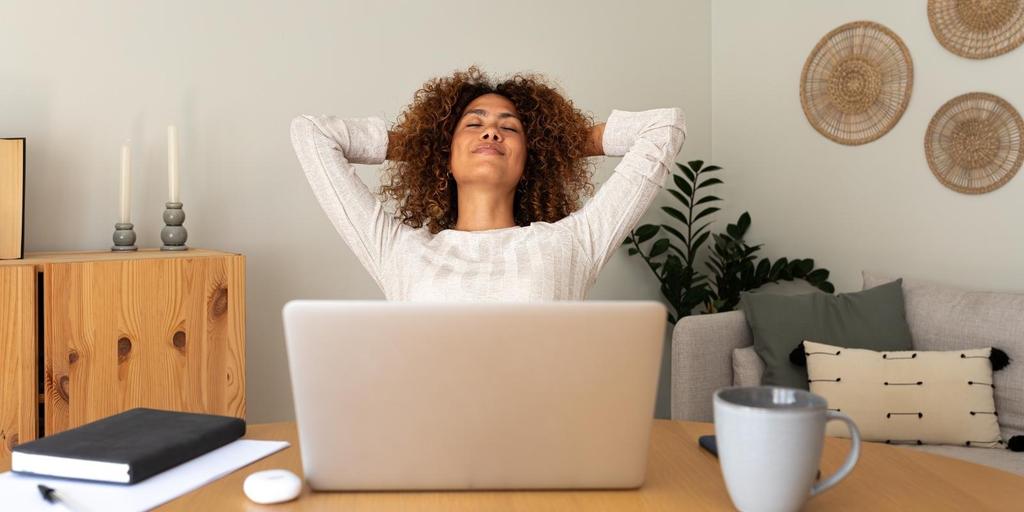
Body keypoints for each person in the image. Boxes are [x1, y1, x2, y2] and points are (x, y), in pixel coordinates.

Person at [290, 65, 686, 301]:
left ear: (531, 156)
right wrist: (426, 142)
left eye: (509, 128)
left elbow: (663, 126)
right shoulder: (398, 251)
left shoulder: (572, 243)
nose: (491, 133)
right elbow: (312, 134)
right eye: (474, 124)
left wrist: (558, 141)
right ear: (444, 153)